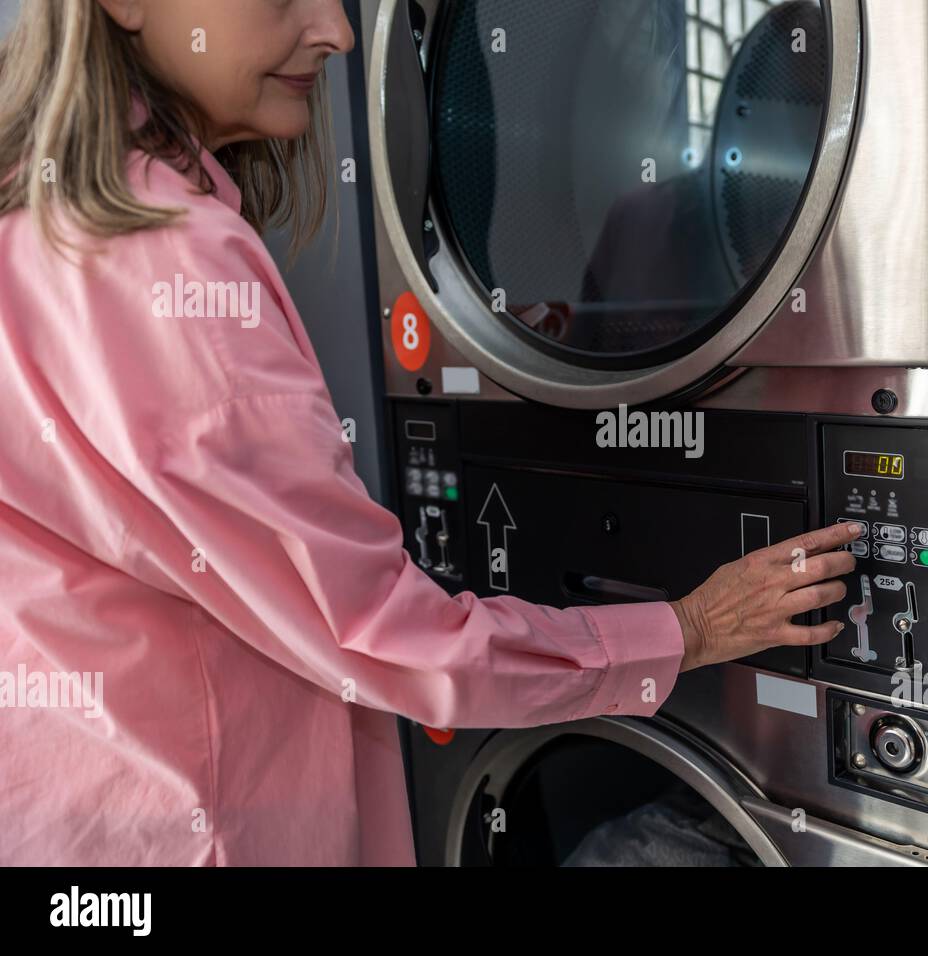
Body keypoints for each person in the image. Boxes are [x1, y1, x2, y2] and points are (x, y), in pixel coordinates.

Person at [0, 0, 855, 866]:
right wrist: (691, 629)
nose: (337, 33)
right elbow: (381, 632)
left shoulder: (37, 220)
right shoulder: (169, 259)